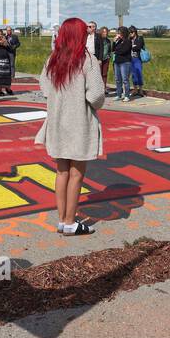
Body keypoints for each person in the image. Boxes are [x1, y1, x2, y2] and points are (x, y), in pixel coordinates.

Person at [34, 16, 105, 235]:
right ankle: (70, 222)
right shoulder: (87, 60)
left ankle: (62, 220)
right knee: (77, 174)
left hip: (57, 121)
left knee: (61, 171)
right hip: (79, 122)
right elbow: (96, 96)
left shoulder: (53, 59)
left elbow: (45, 88)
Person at [0, 28, 15, 99]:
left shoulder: (5, 41)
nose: (0, 36)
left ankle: (8, 89)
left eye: (1, 34)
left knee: (5, 76)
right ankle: (0, 91)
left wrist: (6, 44)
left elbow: (11, 50)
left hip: (5, 61)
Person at [111, 26, 134, 102]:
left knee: (125, 79)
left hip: (125, 62)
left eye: (119, 32)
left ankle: (127, 95)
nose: (118, 34)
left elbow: (123, 51)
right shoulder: (119, 41)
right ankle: (118, 94)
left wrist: (116, 51)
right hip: (117, 62)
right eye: (118, 32)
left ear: (123, 33)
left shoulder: (128, 41)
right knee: (117, 79)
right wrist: (114, 42)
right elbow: (113, 49)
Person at [128, 25, 146, 98]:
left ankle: (141, 90)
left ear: (135, 32)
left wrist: (132, 47)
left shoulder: (140, 38)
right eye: (129, 33)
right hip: (130, 58)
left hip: (137, 58)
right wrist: (133, 46)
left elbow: (139, 47)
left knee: (139, 73)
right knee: (133, 75)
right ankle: (135, 90)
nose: (131, 34)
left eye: (132, 32)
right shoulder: (129, 39)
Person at [96, 26, 111, 93]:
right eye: (104, 32)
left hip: (106, 59)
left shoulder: (108, 41)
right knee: (99, 74)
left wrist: (109, 56)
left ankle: (104, 88)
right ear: (101, 32)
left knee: (104, 74)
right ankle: (98, 89)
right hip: (99, 59)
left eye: (106, 32)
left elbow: (109, 50)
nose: (105, 33)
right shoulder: (98, 40)